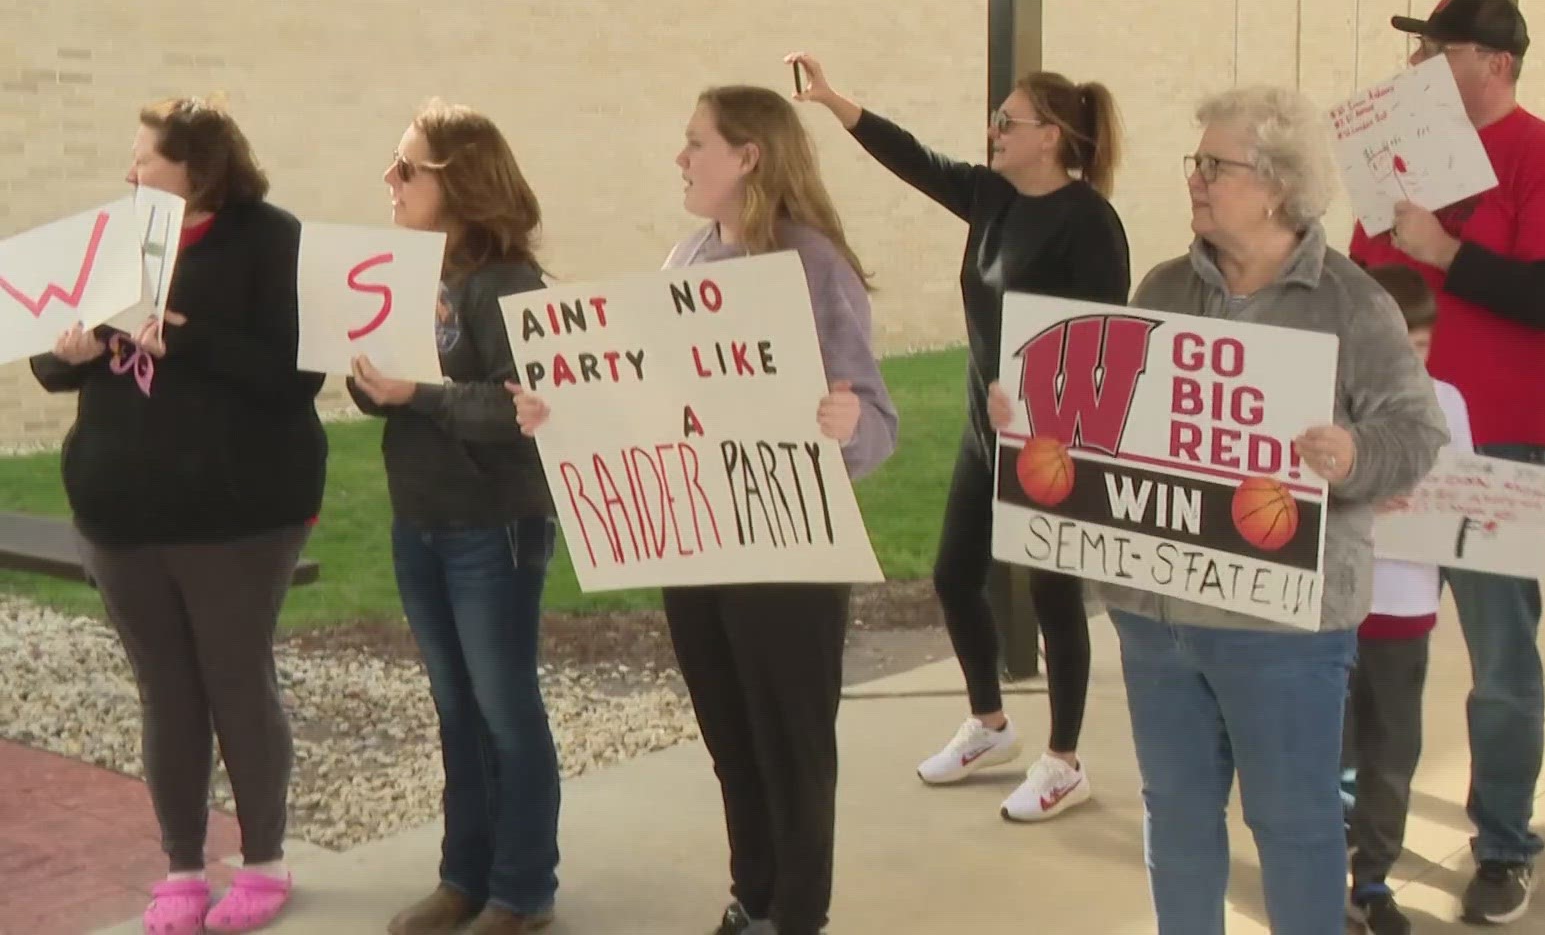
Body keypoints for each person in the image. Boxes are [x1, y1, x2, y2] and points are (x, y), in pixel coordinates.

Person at [1021, 84, 1446, 934]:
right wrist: (1036, 418)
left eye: (1216, 165)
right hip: (1158, 616)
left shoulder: (1352, 303)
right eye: (1197, 161)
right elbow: (1111, 420)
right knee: (1176, 818)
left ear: (1278, 186)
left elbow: (1418, 432)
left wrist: (1354, 454)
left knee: (1293, 827)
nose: (1196, 178)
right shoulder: (1162, 288)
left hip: (1285, 630)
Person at [514, 85, 897, 935]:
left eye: (696, 142)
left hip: (790, 556)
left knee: (792, 751)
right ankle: (751, 897)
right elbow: (648, 397)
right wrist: (560, 414)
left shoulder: (814, 266)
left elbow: (879, 419)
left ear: (748, 157)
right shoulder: (685, 260)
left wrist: (848, 424)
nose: (680, 159)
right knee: (731, 743)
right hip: (696, 549)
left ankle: (797, 915)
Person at [786, 51, 1130, 822]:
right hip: (985, 430)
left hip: (1052, 442)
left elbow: (1106, 343)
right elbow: (913, 158)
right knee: (953, 575)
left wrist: (1040, 408)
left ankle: (1064, 762)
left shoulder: (1089, 223)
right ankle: (990, 723)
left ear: (1051, 137)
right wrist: (835, 100)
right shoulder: (991, 196)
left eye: (1008, 120)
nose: (993, 129)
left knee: (1053, 597)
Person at [30, 98, 326, 935]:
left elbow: (295, 374)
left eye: (145, 158)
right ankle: (182, 868)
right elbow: (53, 363)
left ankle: (264, 862)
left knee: (236, 682)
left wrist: (183, 339)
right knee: (165, 692)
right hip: (121, 514)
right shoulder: (116, 239)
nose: (129, 172)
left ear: (196, 167)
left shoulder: (272, 239)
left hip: (238, 516)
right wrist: (72, 350)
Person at [1348, 0, 1545, 924]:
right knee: (1374, 647)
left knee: (1500, 659)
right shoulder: (1395, 155)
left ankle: (1503, 844)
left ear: (1495, 64)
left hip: (1498, 445)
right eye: (1418, 50)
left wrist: (1448, 252)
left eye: (1439, 50)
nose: (1416, 66)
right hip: (1389, 439)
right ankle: (1359, 832)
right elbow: (1361, 287)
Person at [345, 102, 561, 935]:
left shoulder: (507, 282)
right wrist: (373, 385)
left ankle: (522, 889)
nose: (389, 180)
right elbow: (403, 398)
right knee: (456, 710)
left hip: (492, 525)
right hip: (421, 519)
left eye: (408, 168)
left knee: (505, 710)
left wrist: (418, 393)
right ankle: (463, 878)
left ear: (459, 179)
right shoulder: (412, 272)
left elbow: (520, 408)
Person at [1343, 264, 1475, 935]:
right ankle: (1322, 869)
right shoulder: (1332, 406)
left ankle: (1372, 880)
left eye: (1419, 349)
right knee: (1329, 749)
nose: (1408, 366)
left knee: (1391, 752)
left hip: (1405, 609)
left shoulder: (1446, 405)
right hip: (1333, 609)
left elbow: (1466, 502)